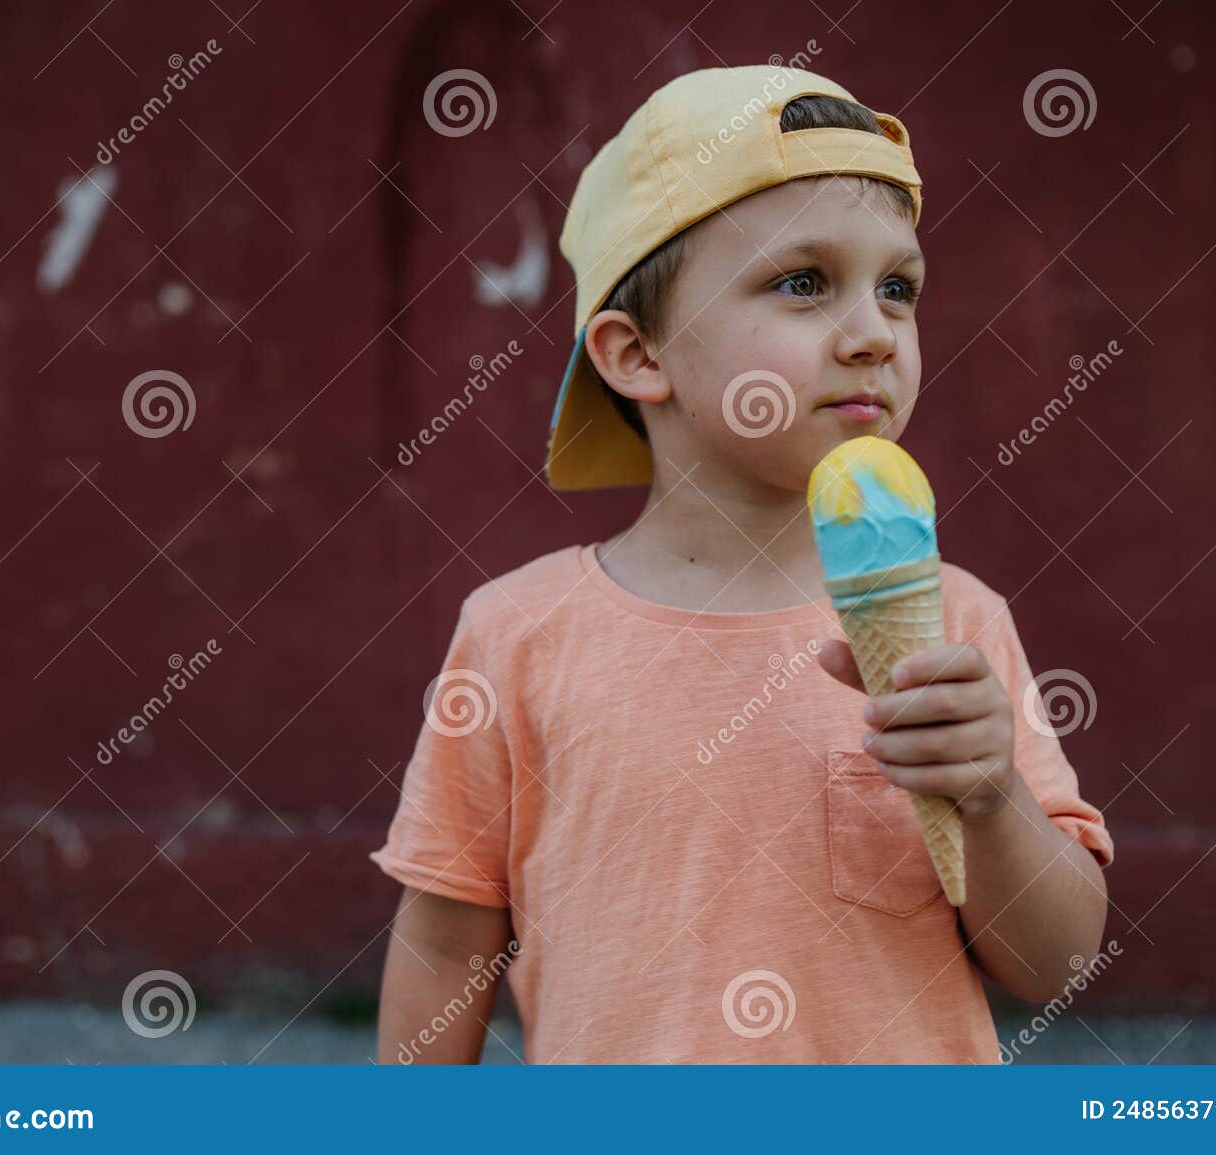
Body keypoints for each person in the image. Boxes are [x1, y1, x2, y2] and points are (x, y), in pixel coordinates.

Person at [371, 64, 1114, 1064]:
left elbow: (1056, 963)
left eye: (898, 289)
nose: (870, 335)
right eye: (800, 283)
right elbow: (445, 938)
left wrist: (991, 799)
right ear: (638, 355)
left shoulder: (957, 623)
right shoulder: (516, 635)